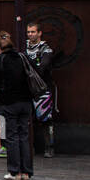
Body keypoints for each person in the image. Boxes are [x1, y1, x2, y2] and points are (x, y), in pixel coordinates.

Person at [0, 33, 33, 180]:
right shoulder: (22, 57)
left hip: (9, 102)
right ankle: (26, 172)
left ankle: (14, 172)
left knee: (12, 136)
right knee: (24, 136)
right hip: (26, 101)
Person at [26, 22, 57, 158]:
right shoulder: (24, 48)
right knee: (27, 118)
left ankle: (49, 147)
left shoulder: (46, 49)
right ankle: (29, 147)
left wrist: (27, 61)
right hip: (27, 88)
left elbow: (43, 68)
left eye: (33, 32)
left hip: (43, 89)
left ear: (39, 33)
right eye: (28, 32)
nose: (30, 34)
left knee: (46, 119)